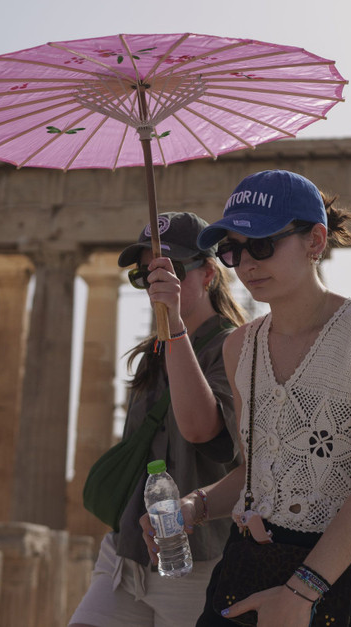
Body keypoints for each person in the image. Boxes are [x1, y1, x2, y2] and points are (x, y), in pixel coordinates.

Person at [142, 170, 351, 627]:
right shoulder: (238, 347)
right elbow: (256, 470)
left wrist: (302, 591)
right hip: (251, 561)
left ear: (315, 240)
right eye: (232, 250)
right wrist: (196, 506)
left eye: (262, 243)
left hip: (348, 571)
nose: (246, 263)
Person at [69, 212, 247, 627]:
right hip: (126, 552)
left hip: (195, 558)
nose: (155, 283)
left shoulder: (236, 346)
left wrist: (177, 329)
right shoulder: (151, 353)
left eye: (172, 269)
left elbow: (202, 430)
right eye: (145, 275)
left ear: (208, 275)